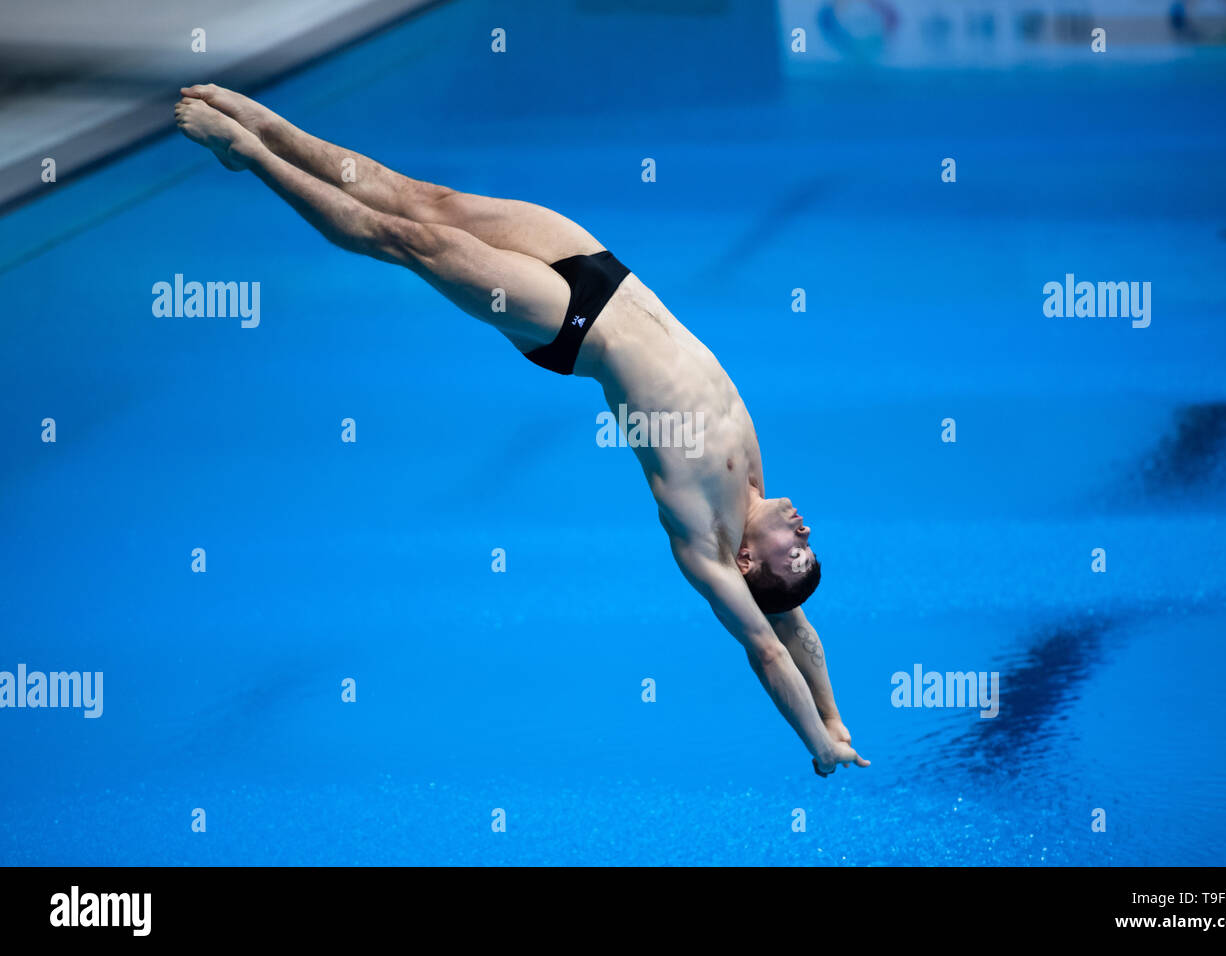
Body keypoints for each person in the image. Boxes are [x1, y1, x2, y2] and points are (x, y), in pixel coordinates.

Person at [174, 85, 869, 776]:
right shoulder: (754, 485)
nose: (806, 533)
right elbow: (797, 627)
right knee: (426, 199)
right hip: (605, 274)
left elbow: (769, 646)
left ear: (750, 564)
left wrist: (815, 742)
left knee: (406, 239)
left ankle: (249, 154)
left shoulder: (708, 546)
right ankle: (270, 125)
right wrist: (835, 715)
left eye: (795, 554)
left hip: (569, 326)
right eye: (808, 547)